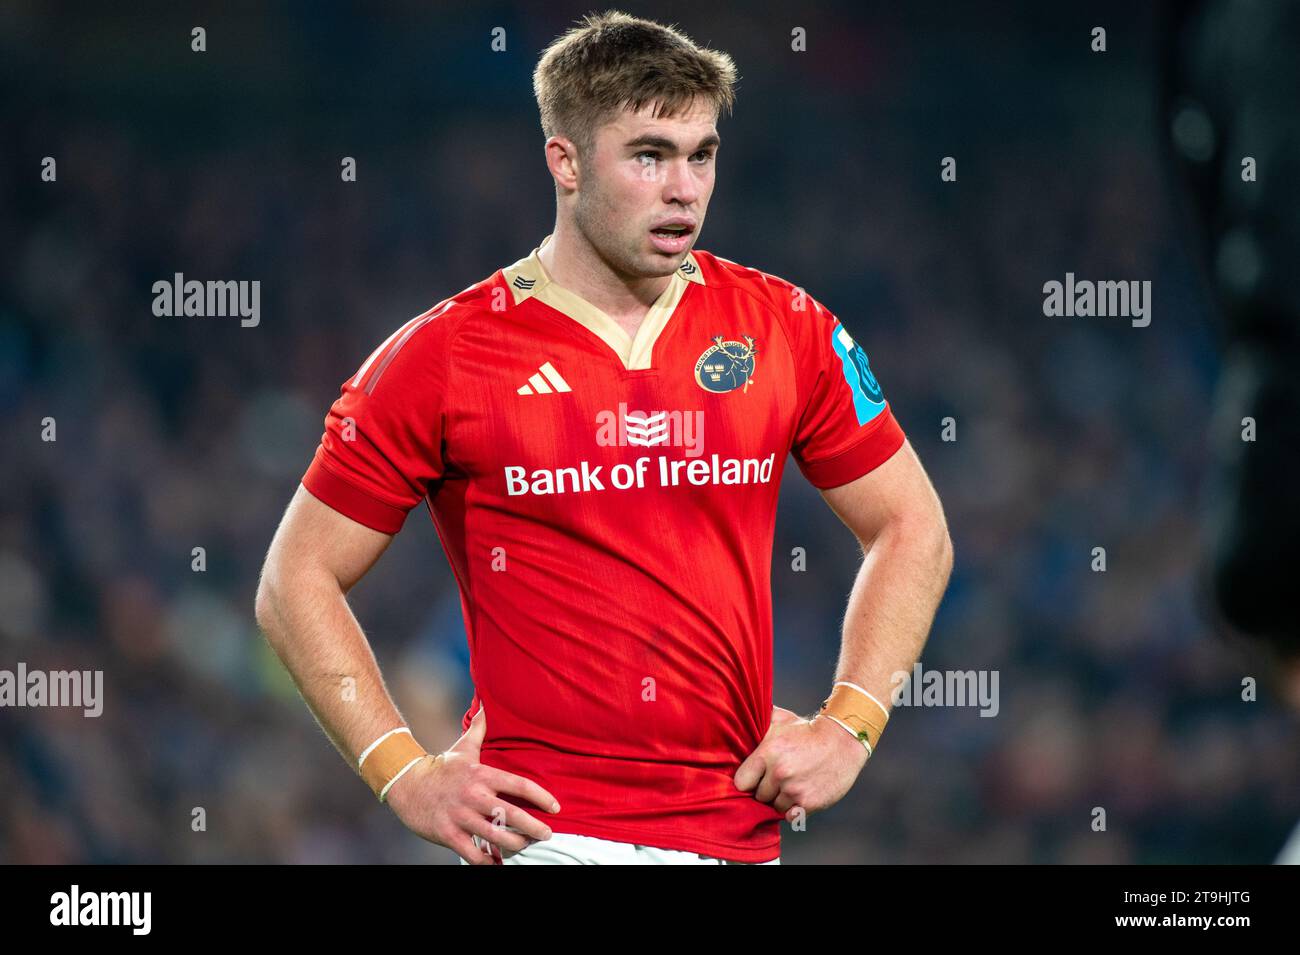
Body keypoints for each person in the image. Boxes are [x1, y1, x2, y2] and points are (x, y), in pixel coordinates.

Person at [254, 10, 952, 865]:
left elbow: (914, 527)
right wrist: (403, 772)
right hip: (549, 837)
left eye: (702, 155)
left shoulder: (787, 327)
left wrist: (849, 726)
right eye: (650, 155)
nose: (685, 187)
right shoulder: (446, 353)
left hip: (737, 836)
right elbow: (296, 577)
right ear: (567, 162)